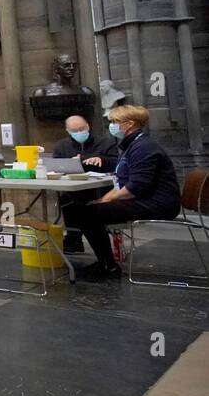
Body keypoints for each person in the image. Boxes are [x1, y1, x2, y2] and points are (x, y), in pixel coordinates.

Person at [62, 105, 181, 280]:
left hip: (158, 203)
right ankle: (104, 261)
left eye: (114, 121)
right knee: (82, 209)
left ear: (129, 124)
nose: (111, 125)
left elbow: (134, 188)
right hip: (146, 198)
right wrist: (104, 198)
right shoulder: (133, 145)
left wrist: (104, 200)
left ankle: (108, 266)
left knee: (88, 214)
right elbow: (123, 179)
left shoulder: (143, 147)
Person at [51, 114, 120, 253]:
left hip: (101, 188)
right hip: (73, 187)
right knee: (67, 199)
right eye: (74, 131)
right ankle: (73, 238)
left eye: (81, 129)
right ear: (67, 131)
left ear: (88, 126)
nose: (79, 133)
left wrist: (100, 160)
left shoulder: (106, 143)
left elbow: (116, 163)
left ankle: (95, 245)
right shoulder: (62, 146)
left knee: (86, 205)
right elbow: (56, 165)